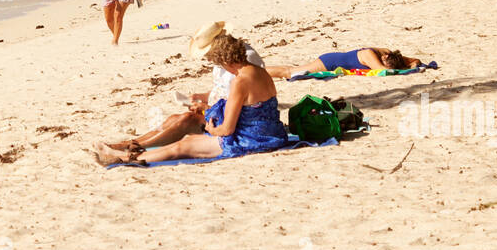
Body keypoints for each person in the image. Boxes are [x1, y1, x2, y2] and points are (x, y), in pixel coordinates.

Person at [93, 33, 288, 166]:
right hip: (272, 132)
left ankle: (125, 157)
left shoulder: (240, 81)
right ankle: (131, 150)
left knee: (182, 146)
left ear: (227, 61)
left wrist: (212, 129)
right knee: (187, 139)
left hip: (252, 139)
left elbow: (227, 129)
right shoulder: (260, 72)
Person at [266, 45, 425, 79]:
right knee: (289, 72)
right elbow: (382, 71)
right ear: (385, 59)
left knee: (292, 70)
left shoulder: (386, 52)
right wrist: (404, 69)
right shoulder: (370, 54)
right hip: (330, 62)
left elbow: (415, 60)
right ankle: (259, 71)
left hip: (332, 59)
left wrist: (410, 64)